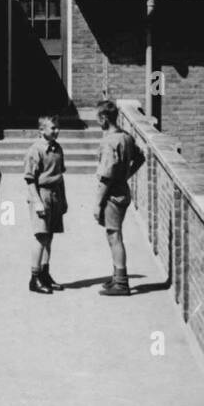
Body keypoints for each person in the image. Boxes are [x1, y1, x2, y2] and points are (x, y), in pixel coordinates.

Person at [93, 99, 145, 296]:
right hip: (122, 191)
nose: (98, 122)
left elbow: (105, 179)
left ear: (104, 119)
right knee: (114, 235)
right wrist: (126, 175)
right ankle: (116, 276)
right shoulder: (125, 137)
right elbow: (140, 158)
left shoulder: (109, 143)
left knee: (114, 236)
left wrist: (97, 205)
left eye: (98, 119)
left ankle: (122, 282)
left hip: (113, 196)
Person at [22, 115, 67, 294]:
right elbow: (30, 180)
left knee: (49, 237)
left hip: (55, 195)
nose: (56, 131)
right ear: (41, 130)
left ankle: (45, 274)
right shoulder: (35, 150)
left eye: (57, 127)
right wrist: (38, 202)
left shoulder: (57, 148)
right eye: (52, 128)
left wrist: (64, 200)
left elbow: (60, 176)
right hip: (41, 195)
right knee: (41, 237)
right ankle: (34, 278)